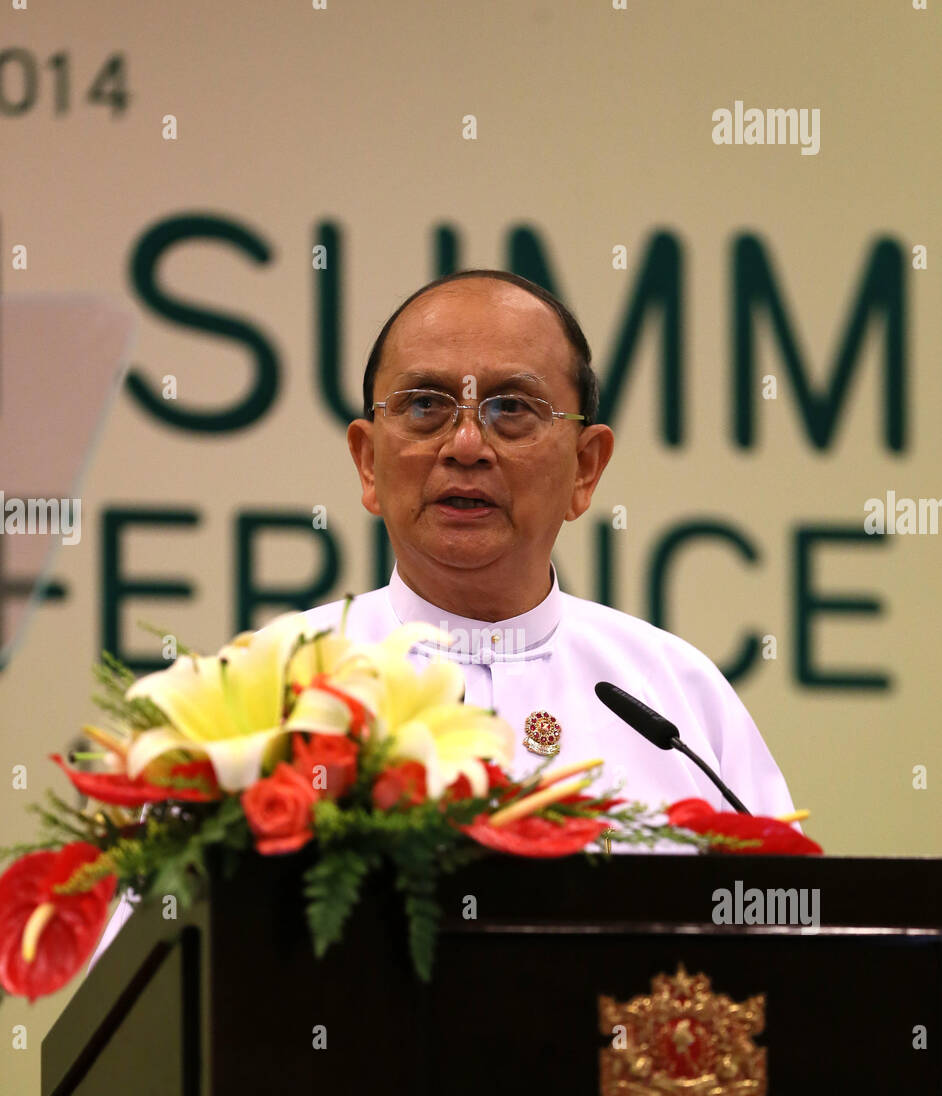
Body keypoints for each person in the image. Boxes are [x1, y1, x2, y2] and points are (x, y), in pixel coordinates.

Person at [89, 270, 796, 971]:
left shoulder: (676, 696)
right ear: (368, 461)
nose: (464, 445)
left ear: (586, 467)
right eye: (426, 405)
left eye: (512, 409)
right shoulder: (269, 690)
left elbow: (796, 957)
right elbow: (131, 985)